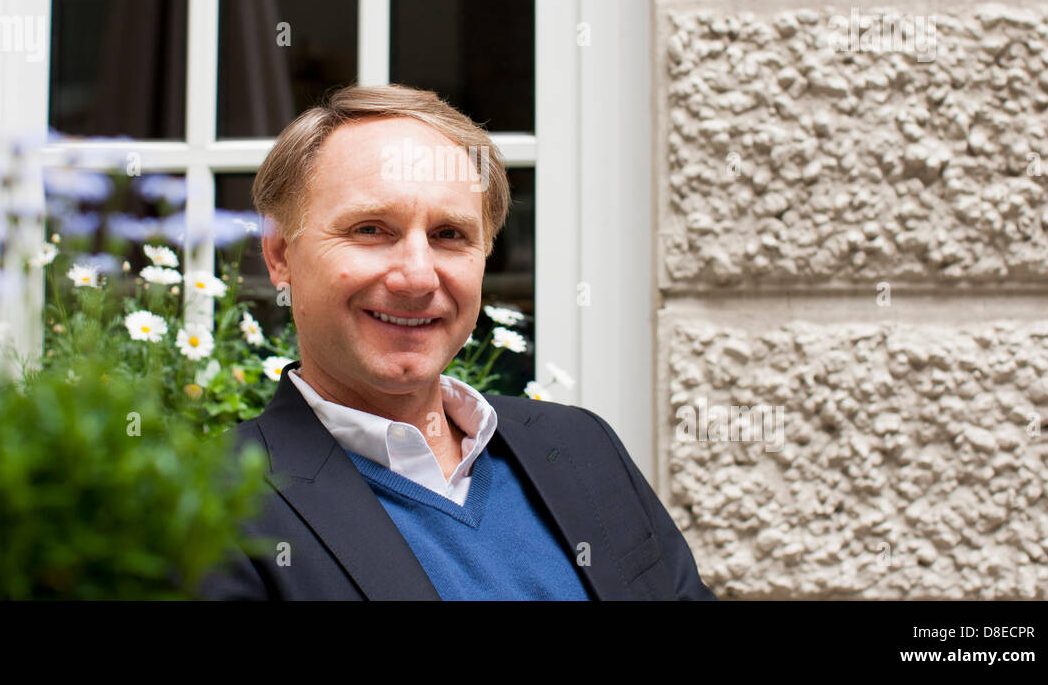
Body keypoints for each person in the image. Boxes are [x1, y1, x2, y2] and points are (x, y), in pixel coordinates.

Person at [198, 84, 715, 600]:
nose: (418, 277)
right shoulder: (211, 509)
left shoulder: (582, 448)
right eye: (372, 229)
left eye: (449, 235)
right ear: (280, 256)